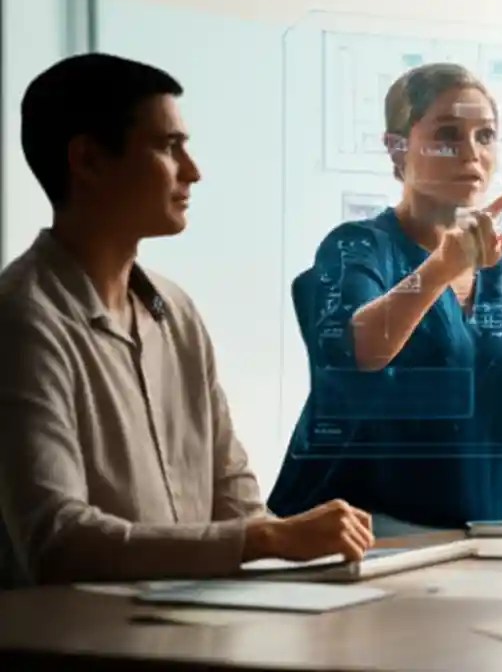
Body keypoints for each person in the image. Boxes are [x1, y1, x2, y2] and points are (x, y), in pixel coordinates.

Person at [0, 53, 374, 587]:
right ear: (87, 161)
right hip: (83, 646)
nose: (192, 171)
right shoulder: (23, 320)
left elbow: (235, 499)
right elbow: (57, 539)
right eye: (168, 147)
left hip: (194, 631)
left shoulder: (174, 312)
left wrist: (295, 549)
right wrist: (264, 539)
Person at [268, 63, 502, 532]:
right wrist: (439, 269)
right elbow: (355, 353)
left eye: (485, 136)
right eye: (447, 134)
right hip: (351, 538)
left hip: (471, 540)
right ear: (397, 148)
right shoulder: (357, 248)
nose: (471, 152)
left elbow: (500, 419)